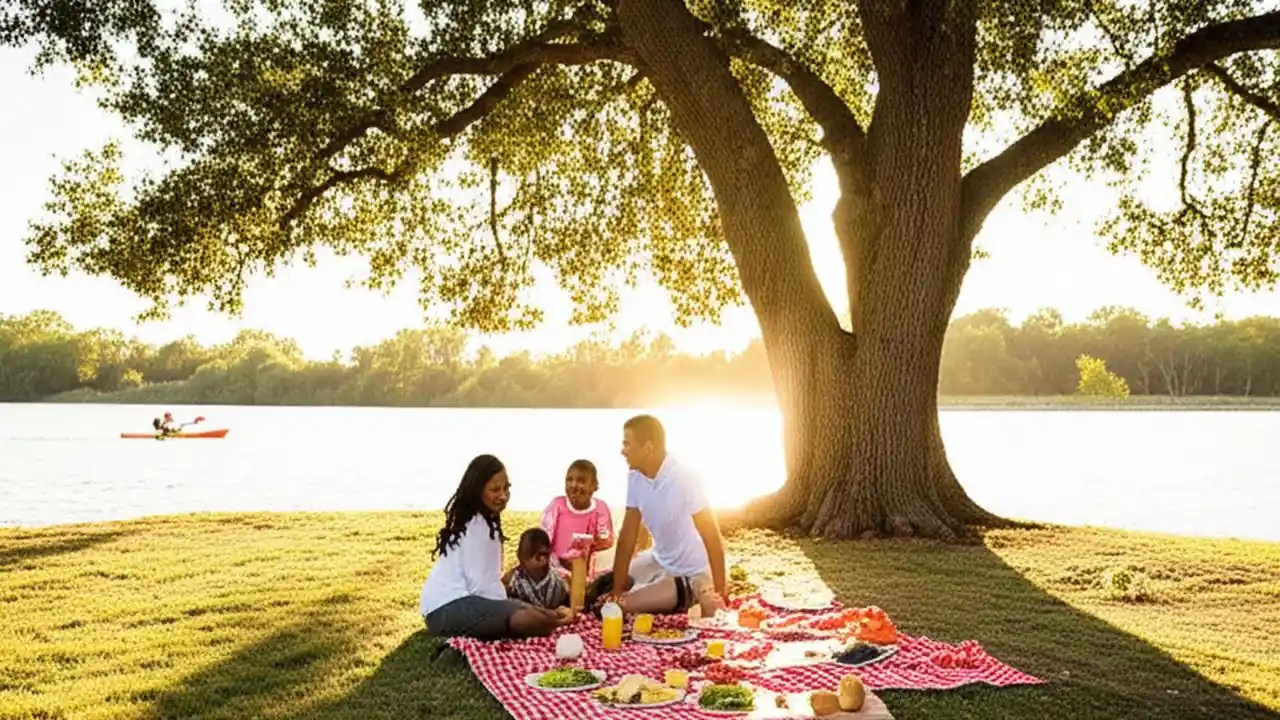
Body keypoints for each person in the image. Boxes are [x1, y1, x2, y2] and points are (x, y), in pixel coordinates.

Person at [419, 455, 562, 639]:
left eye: (506, 488)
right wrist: (526, 610)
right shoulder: (475, 526)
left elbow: (490, 585)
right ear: (478, 491)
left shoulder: (486, 520)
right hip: (447, 609)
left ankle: (551, 619)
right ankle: (553, 622)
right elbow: (482, 588)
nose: (503, 496)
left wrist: (537, 611)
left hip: (454, 605)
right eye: (495, 490)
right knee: (531, 619)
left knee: (537, 615)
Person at [605, 414, 728, 616]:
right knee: (611, 585)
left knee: (625, 606)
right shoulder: (635, 479)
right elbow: (627, 536)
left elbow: (711, 536)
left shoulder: (684, 478)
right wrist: (617, 591)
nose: (622, 451)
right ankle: (659, 591)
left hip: (693, 571)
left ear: (648, 448)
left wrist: (721, 589)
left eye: (627, 444)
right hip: (658, 561)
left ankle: (691, 593)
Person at [541, 459, 614, 576]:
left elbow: (606, 541)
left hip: (588, 569)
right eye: (569, 480)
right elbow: (544, 538)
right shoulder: (557, 506)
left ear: (594, 486)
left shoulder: (600, 508)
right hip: (556, 569)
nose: (574, 485)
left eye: (581, 481)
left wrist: (585, 545)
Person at [503, 528, 570, 609]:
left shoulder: (558, 584)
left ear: (543, 558)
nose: (519, 556)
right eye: (520, 552)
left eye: (526, 554)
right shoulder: (512, 580)